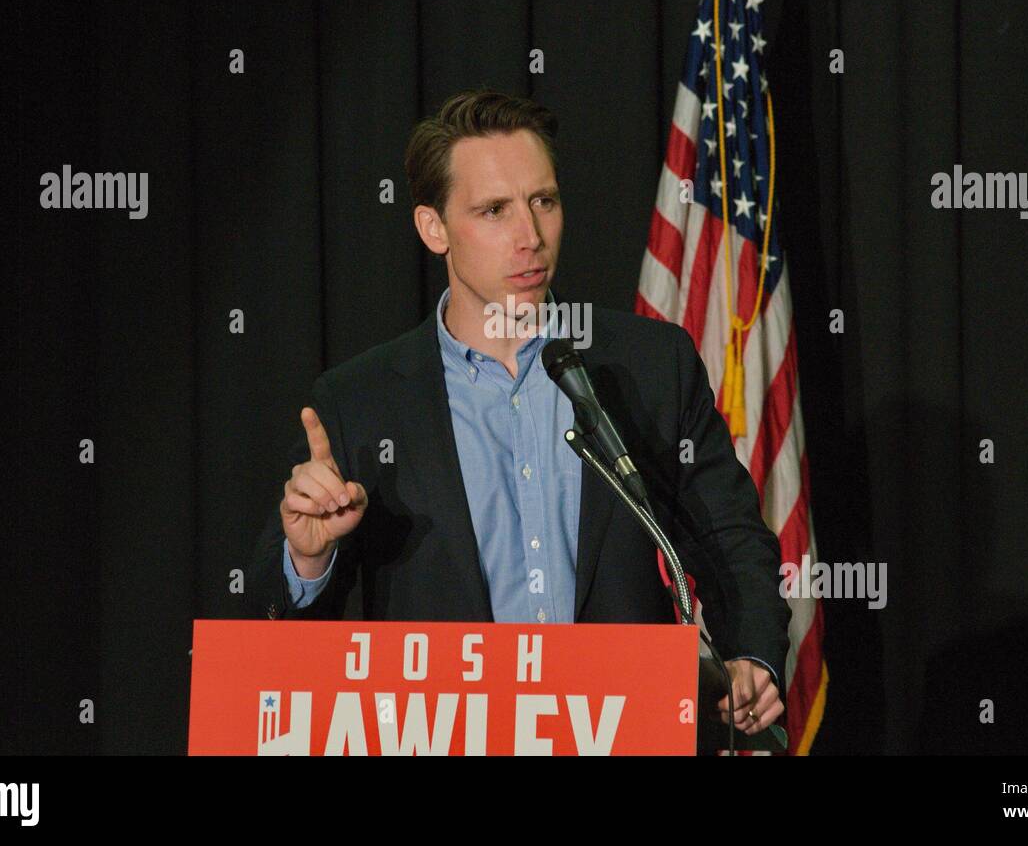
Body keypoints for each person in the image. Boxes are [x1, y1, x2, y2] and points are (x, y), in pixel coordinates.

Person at [247, 89, 789, 738]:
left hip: (625, 733)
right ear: (433, 227)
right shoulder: (361, 399)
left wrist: (753, 654)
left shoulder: (647, 364)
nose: (529, 237)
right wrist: (307, 561)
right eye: (494, 210)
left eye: (544, 201)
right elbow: (272, 644)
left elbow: (731, 536)